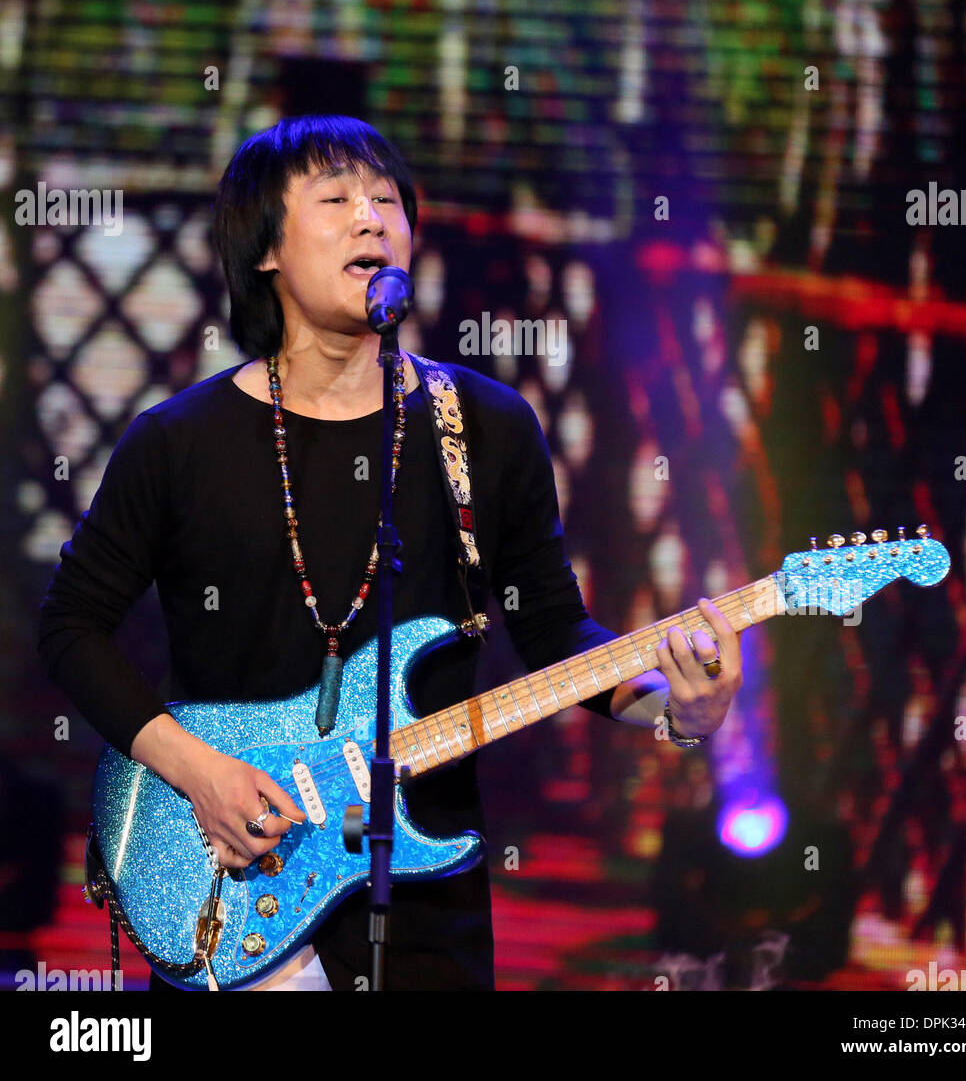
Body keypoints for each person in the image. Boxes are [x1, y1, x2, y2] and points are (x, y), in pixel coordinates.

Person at [39, 114, 742, 991]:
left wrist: (676, 712)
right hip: (233, 877)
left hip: (424, 905)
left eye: (387, 200)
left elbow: (554, 631)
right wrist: (198, 771)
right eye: (336, 199)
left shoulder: (484, 427)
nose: (372, 218)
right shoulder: (179, 442)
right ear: (265, 250)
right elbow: (70, 627)